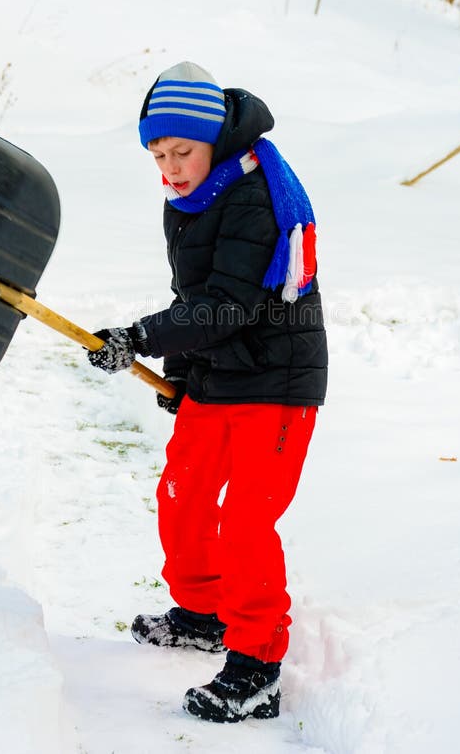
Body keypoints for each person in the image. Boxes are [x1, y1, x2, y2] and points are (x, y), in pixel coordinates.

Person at [87, 61, 328, 724]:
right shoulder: (191, 196)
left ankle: (256, 666)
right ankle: (201, 612)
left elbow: (229, 305)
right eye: (158, 155)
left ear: (215, 137)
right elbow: (196, 298)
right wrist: (187, 374)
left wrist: (140, 337)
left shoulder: (253, 194)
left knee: (246, 521)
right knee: (184, 493)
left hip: (277, 382)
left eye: (181, 151)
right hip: (222, 375)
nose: (170, 167)